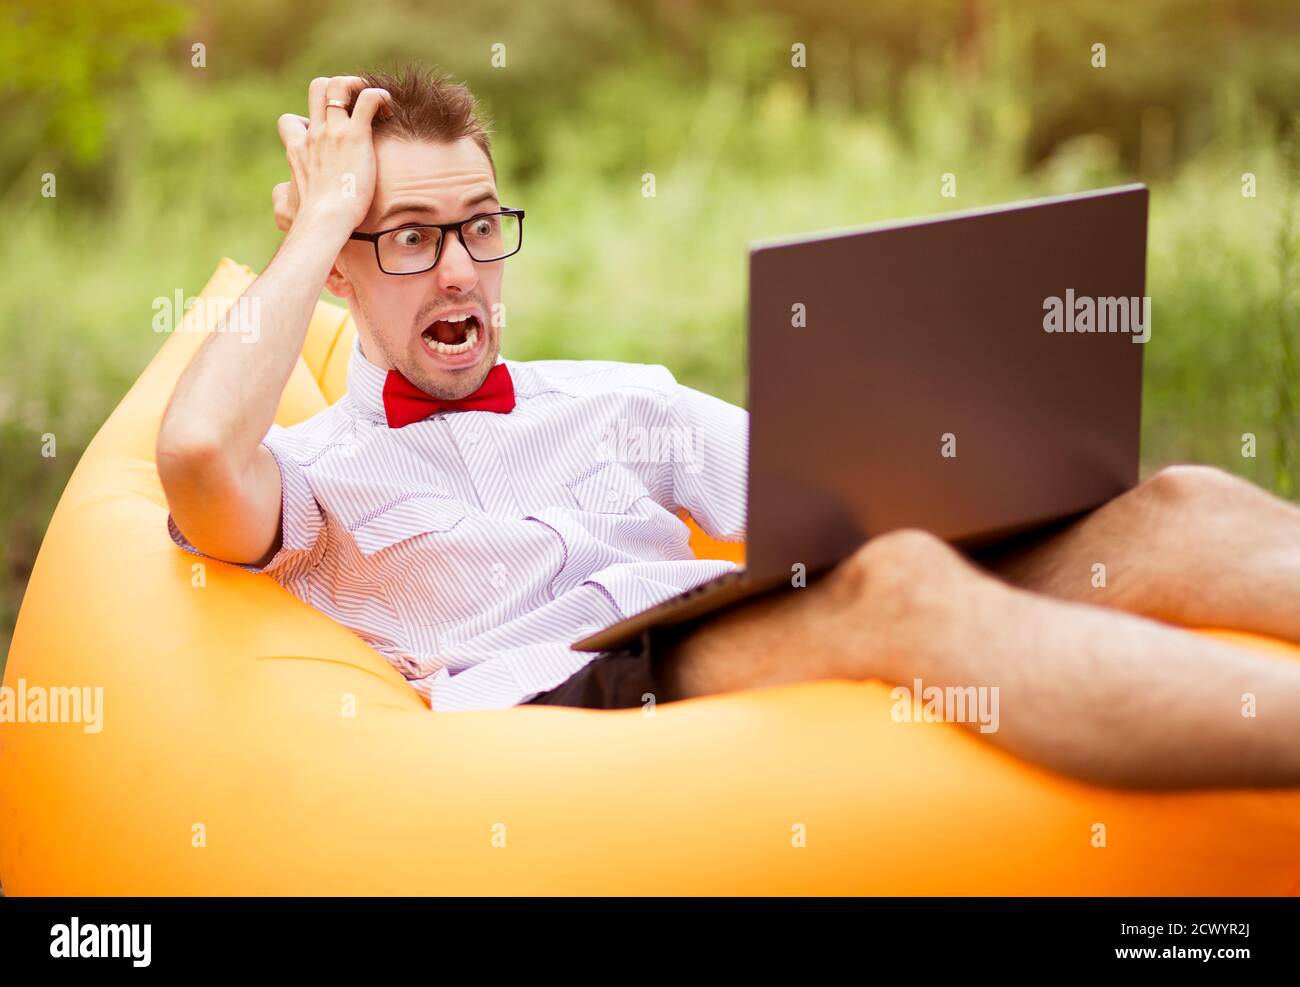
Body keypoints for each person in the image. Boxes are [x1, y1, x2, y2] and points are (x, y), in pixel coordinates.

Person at [157, 66, 1300, 790]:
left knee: (1175, 506)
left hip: (697, 622)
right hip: (557, 698)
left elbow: (835, 491)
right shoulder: (308, 479)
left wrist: (999, 471)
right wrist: (315, 227)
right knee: (897, 585)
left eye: (476, 228)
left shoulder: (620, 399)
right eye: (407, 238)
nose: (459, 272)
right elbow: (199, 453)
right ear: (342, 278)